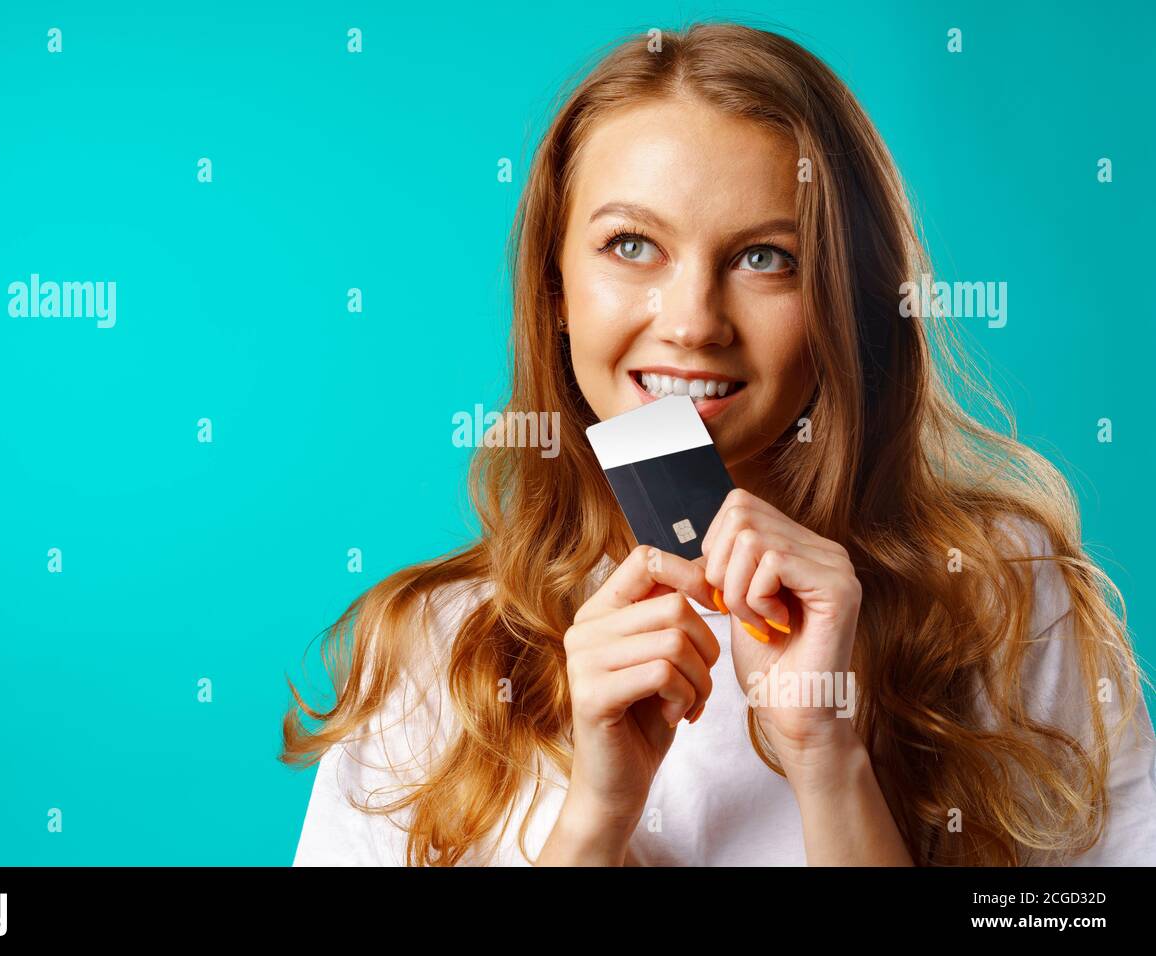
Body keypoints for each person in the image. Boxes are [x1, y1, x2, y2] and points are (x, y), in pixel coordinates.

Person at [282, 21, 1156, 866]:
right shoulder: (435, 646)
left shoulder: (1004, 598)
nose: (693, 323)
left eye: (766, 258)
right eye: (632, 245)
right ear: (555, 286)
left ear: (847, 298)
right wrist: (595, 818)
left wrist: (829, 758)